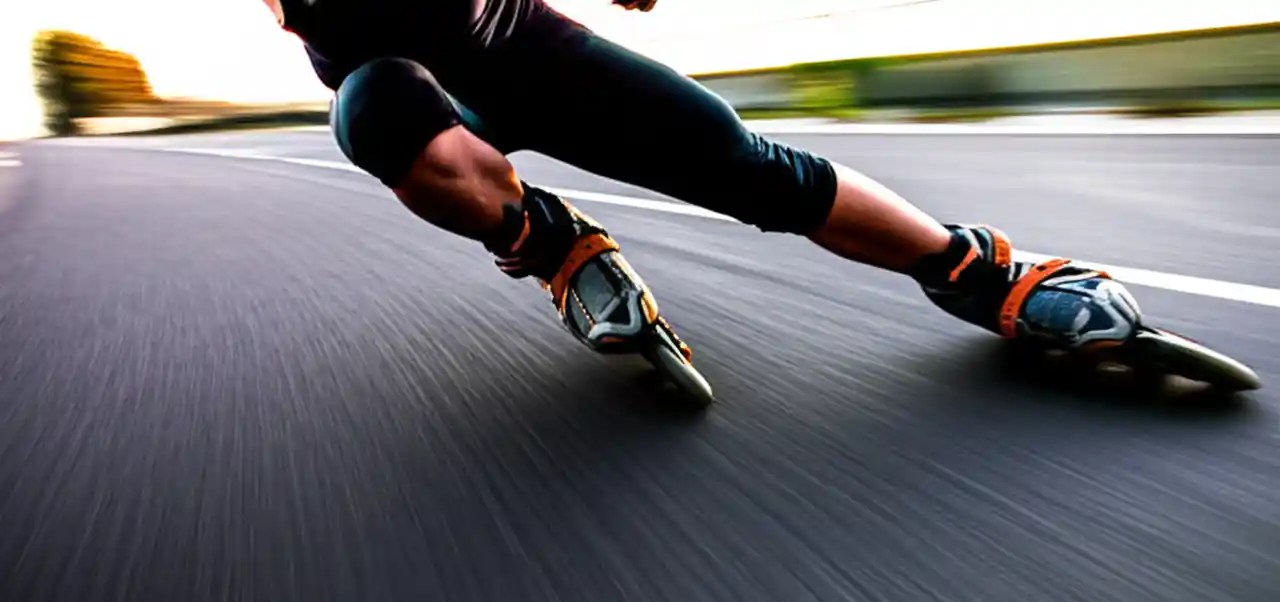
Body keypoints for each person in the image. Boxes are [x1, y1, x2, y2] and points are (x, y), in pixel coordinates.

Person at [260, 0, 1143, 373]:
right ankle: (549, 244)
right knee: (372, 111)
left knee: (749, 169)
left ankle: (975, 273)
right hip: (433, 103)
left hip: (538, 60)